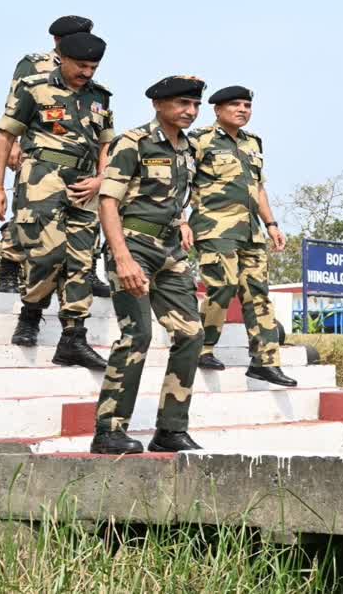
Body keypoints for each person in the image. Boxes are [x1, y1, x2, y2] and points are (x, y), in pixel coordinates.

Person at [91, 76, 206, 455]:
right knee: (136, 334)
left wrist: (183, 221)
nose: (190, 111)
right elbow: (108, 201)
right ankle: (109, 429)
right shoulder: (134, 142)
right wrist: (121, 257)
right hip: (133, 245)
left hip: (170, 251)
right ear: (159, 104)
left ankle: (170, 430)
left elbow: (176, 198)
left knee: (191, 333)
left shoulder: (188, 149)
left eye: (194, 105)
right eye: (182, 104)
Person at [0, 31, 113, 370]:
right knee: (48, 254)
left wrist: (102, 179)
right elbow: (5, 136)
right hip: (42, 178)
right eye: (81, 65)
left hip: (85, 184)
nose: (87, 73)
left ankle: (74, 336)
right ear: (63, 59)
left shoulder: (100, 97)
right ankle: (31, 313)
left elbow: (106, 145)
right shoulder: (33, 87)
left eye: (93, 66)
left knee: (82, 260)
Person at [188, 85, 294, 387]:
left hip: (251, 231)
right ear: (217, 110)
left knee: (257, 294)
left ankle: (265, 361)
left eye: (247, 105)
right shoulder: (199, 141)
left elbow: (258, 187)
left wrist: (271, 224)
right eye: (235, 105)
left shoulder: (253, 143)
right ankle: (203, 347)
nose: (242, 110)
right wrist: (182, 221)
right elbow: (182, 182)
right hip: (214, 228)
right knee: (222, 286)